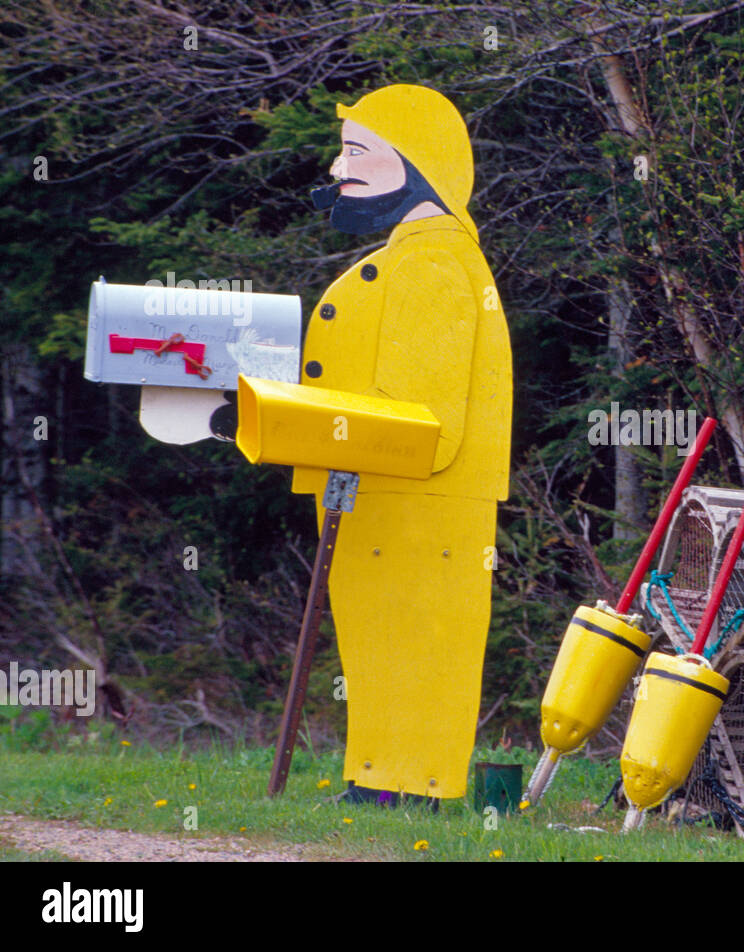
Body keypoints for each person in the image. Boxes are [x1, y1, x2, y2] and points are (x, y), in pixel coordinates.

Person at [294, 84, 512, 803]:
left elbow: (421, 416)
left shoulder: (431, 265)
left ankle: (407, 786)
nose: (336, 167)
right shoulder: (413, 255)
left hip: (419, 500)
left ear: (417, 165)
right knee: (380, 640)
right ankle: (378, 781)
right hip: (387, 495)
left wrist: (314, 426)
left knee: (415, 640)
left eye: (357, 152)